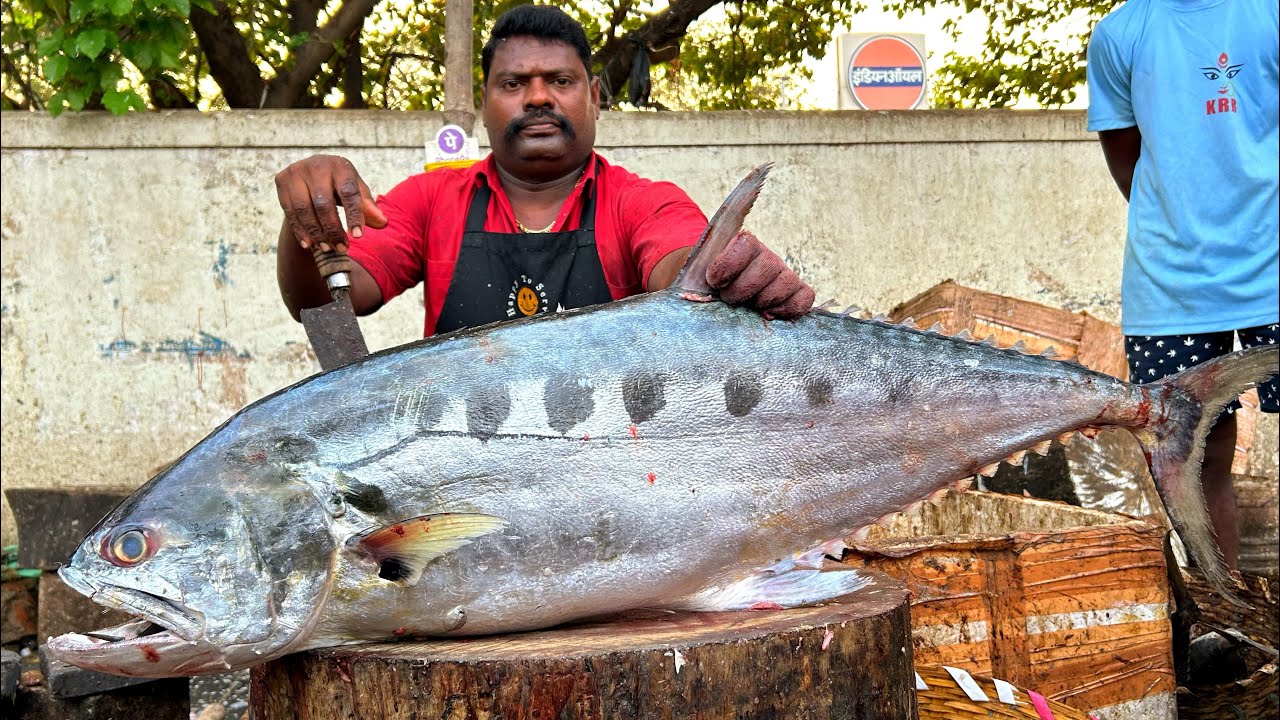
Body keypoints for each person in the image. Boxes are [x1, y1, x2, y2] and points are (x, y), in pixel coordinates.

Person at [275, 4, 813, 338]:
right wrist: (304, 222)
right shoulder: (431, 200)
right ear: (484, 103)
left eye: (560, 80)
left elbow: (684, 269)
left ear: (595, 98)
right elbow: (321, 304)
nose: (536, 97)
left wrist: (725, 274)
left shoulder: (641, 202)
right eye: (512, 84)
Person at [1087, 0, 1279, 568]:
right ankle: (1224, 620)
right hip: (1171, 284)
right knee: (1192, 456)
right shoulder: (1121, 34)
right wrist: (1185, 225)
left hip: (1275, 267)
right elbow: (1127, 160)